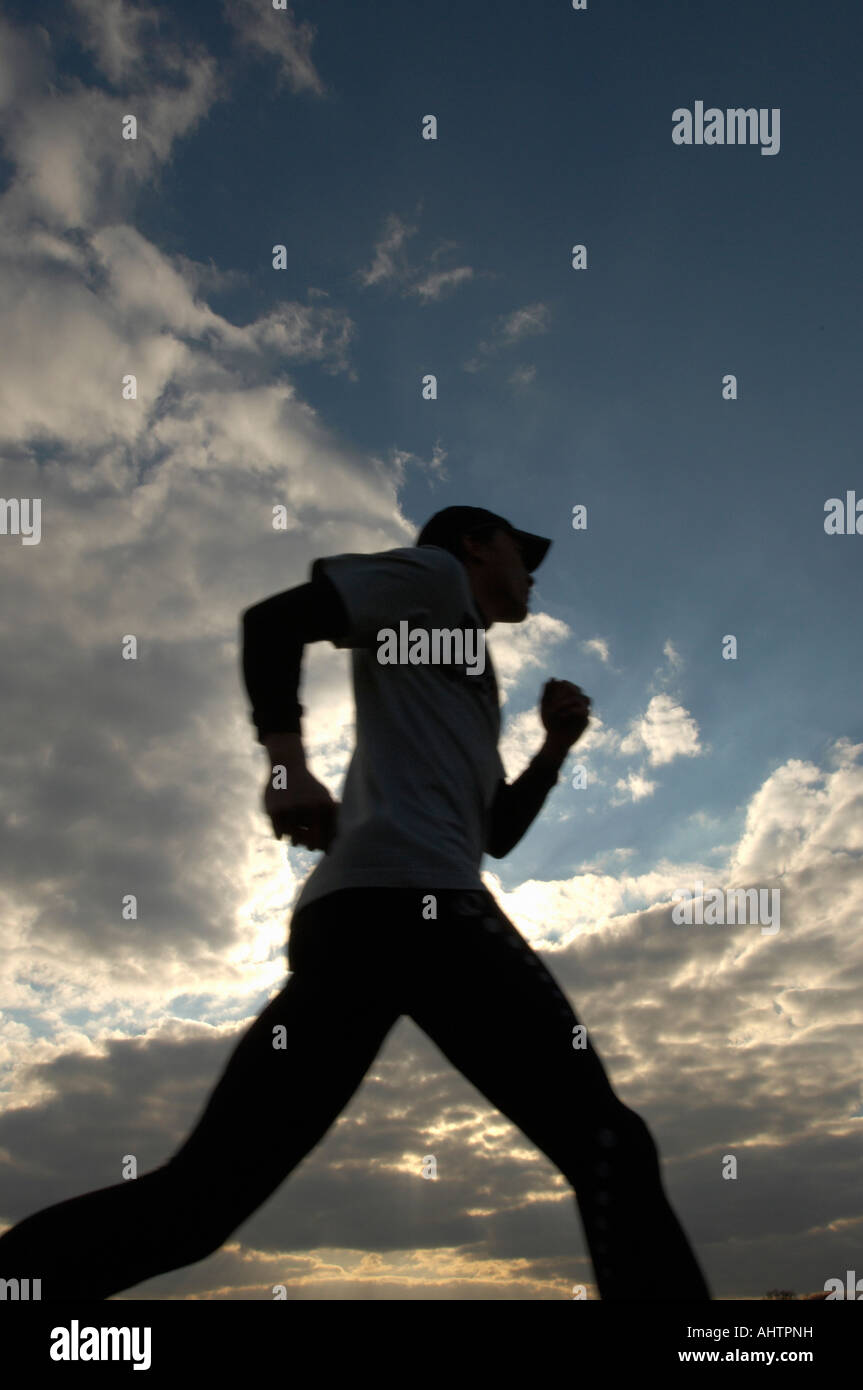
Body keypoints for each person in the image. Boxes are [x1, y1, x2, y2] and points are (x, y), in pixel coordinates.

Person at [0, 506, 712, 1300]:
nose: (533, 570)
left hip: (365, 916)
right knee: (608, 1141)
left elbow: (498, 833)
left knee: (199, 1207)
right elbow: (272, 622)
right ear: (475, 547)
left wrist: (552, 748)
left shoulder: (455, 658)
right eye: (520, 549)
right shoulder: (435, 577)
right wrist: (285, 766)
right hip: (419, 907)